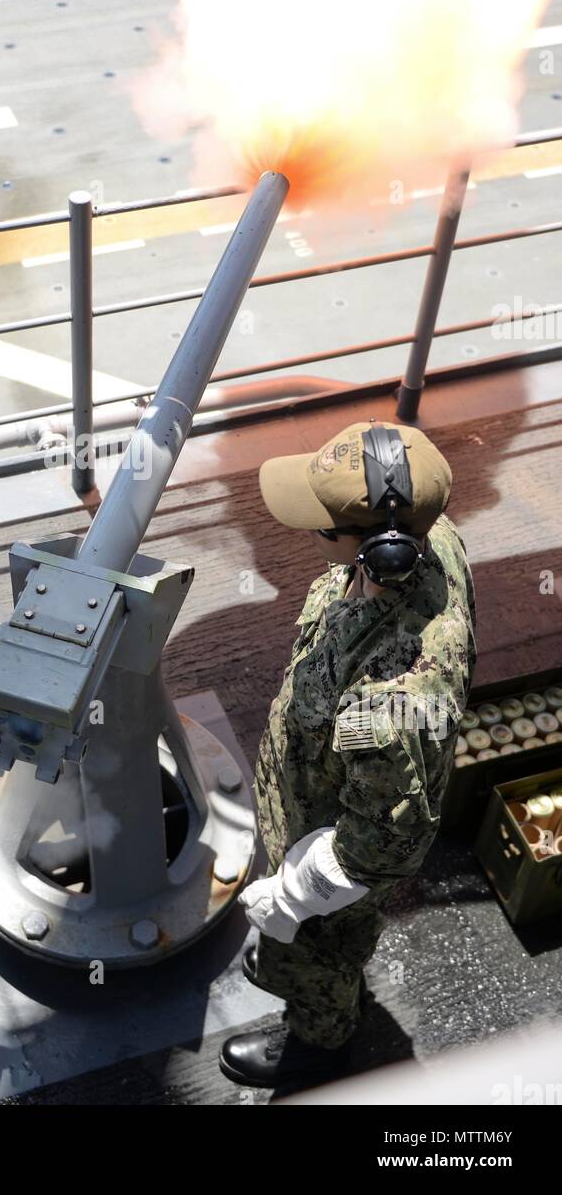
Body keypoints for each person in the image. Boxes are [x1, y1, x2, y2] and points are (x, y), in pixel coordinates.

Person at [219, 420, 476, 1092]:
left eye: (323, 528)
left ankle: (322, 1040)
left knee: (319, 955)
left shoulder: (393, 692)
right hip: (315, 789)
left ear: (382, 551)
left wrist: (298, 892)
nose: (313, 536)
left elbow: (387, 841)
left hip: (329, 844)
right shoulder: (428, 539)